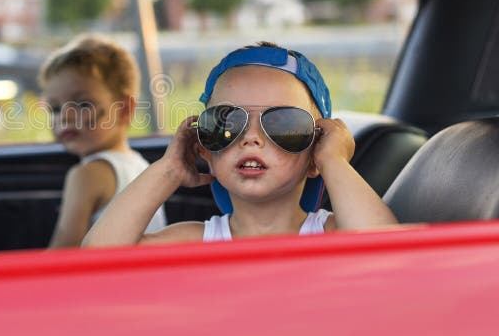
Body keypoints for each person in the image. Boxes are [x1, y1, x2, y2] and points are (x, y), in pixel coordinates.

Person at [83, 42, 398, 246]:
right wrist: (168, 170)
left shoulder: (329, 235)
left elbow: (388, 252)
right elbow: (97, 257)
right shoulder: (196, 243)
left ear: (314, 151)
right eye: (226, 122)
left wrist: (334, 161)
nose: (251, 137)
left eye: (285, 124)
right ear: (204, 146)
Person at [40, 34, 167, 248]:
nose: (66, 116)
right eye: (55, 108)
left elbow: (62, 257)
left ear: (125, 109)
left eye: (82, 105)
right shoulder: (141, 166)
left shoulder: (86, 176)